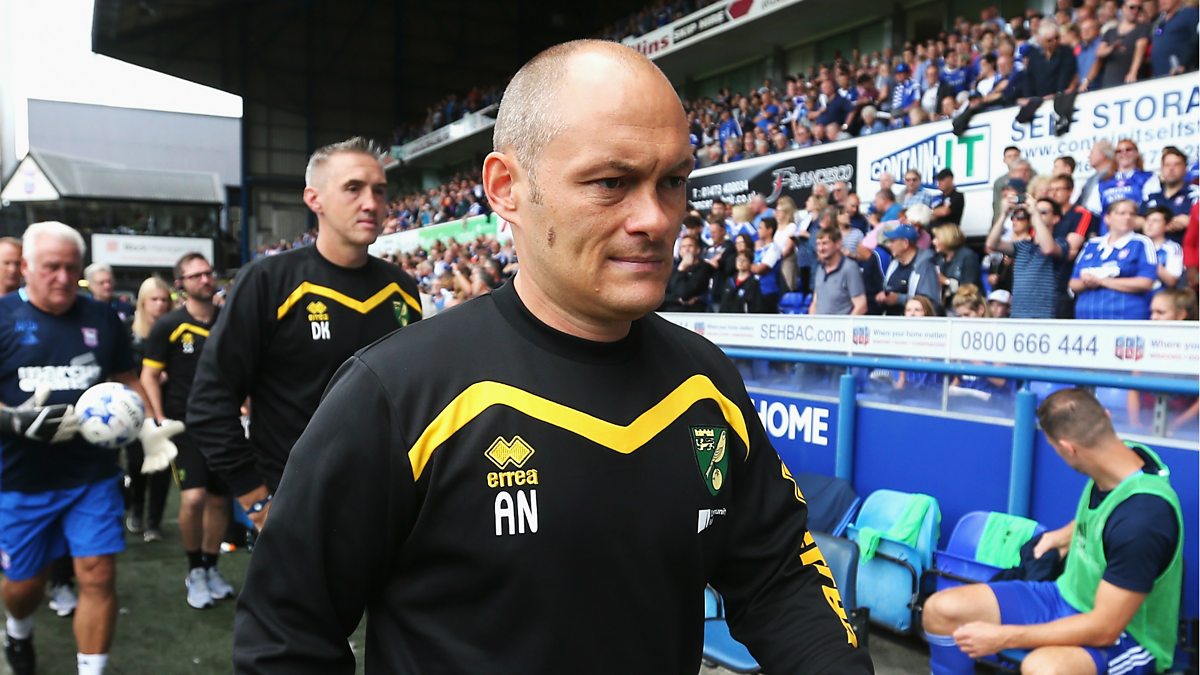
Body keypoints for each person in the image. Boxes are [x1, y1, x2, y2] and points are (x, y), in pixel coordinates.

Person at [231, 40, 872, 674]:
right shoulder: (398, 393)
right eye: (611, 182)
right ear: (506, 187)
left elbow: (779, 573)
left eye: (673, 182)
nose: (655, 217)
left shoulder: (707, 384)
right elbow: (285, 636)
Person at [187, 136, 423, 530]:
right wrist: (257, 501)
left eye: (379, 191)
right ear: (314, 199)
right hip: (298, 508)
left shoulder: (402, 290)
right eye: (353, 188)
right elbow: (210, 401)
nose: (371, 203)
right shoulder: (268, 281)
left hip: (389, 506)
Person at [0, 221, 177, 675]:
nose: (62, 278)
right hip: (20, 479)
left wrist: (147, 424)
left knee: (97, 574)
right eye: (51, 268)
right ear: (25, 268)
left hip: (92, 475)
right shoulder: (2, 318)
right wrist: (11, 419)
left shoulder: (101, 318)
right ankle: (18, 630)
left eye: (70, 268)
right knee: (24, 586)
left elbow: (124, 376)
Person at [924, 387, 1183, 675]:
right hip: (1064, 597)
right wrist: (1062, 535)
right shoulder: (1121, 457)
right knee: (941, 609)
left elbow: (1104, 629)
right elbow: (1105, 518)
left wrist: (1003, 637)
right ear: (1106, 417)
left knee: (1044, 669)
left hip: (1127, 637)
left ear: (1068, 448)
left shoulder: (1143, 520)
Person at [140, 253, 236, 610]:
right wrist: (158, 418)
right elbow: (149, 375)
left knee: (217, 499)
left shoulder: (228, 321)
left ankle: (211, 567)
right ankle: (194, 569)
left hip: (224, 423)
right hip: (185, 424)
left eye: (208, 273)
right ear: (180, 283)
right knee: (193, 498)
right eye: (195, 276)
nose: (204, 280)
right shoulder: (169, 325)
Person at [124, 277, 174, 543]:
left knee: (163, 466)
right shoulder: (130, 333)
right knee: (137, 464)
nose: (160, 304)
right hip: (135, 412)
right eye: (154, 299)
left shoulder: (176, 330)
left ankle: (153, 522)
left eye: (164, 299)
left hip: (169, 409)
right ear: (143, 303)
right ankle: (136, 507)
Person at [1071, 199, 1157, 320]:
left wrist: (1102, 281)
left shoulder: (1141, 243)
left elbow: (1146, 282)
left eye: (1132, 214)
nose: (1127, 217)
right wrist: (1089, 281)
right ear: (1107, 218)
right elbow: (1073, 283)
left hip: (1126, 316)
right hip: (1086, 316)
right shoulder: (1092, 244)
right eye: (1121, 213)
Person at [986, 198, 1067, 319]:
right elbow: (992, 244)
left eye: (1043, 212)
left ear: (1055, 219)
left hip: (1044, 316)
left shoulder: (1061, 243)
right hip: (1018, 314)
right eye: (1035, 211)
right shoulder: (1022, 245)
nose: (1037, 214)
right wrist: (1003, 214)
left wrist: (1034, 214)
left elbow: (1048, 248)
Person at [878, 224, 942, 316]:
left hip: (914, 325)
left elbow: (929, 301)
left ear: (905, 243)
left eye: (892, 241)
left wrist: (898, 299)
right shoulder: (894, 264)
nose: (889, 245)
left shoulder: (925, 266)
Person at [1086, 3, 1150, 89]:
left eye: (1139, 8)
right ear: (1123, 8)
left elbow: (1140, 50)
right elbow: (1099, 53)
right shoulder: (1110, 32)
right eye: (1132, 7)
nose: (1136, 11)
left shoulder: (1143, 28)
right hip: (1109, 84)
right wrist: (1112, 48)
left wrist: (1133, 72)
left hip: (1131, 83)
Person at [1141, 146, 1194, 243]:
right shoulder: (1151, 196)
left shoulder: (1195, 194)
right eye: (1167, 165)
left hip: (1184, 252)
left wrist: (1192, 221)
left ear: (1185, 168)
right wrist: (1163, 224)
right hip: (1153, 254)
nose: (1171, 169)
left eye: (1176, 164)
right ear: (1161, 169)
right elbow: (1136, 220)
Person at [809, 226, 867, 316]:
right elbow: (815, 302)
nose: (821, 248)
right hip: (819, 328)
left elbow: (861, 306)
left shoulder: (850, 268)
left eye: (825, 243)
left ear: (838, 244)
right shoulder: (820, 269)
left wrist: (845, 328)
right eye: (818, 244)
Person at [660, 234, 712, 312]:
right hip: (670, 312)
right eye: (684, 247)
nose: (687, 249)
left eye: (690, 246)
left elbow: (685, 293)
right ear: (680, 251)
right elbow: (662, 295)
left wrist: (682, 269)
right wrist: (676, 299)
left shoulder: (703, 268)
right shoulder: (673, 268)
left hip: (693, 314)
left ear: (698, 249)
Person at [932, 224, 981, 305]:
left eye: (937, 238)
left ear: (947, 238)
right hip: (946, 304)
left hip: (967, 304)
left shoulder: (968, 256)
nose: (933, 242)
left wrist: (946, 281)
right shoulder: (940, 258)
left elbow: (970, 287)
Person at [1141, 206, 1184, 290]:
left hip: (1161, 294)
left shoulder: (1173, 248)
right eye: (1147, 220)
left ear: (1167, 226)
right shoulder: (1134, 245)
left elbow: (1172, 281)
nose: (1149, 224)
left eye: (1155, 221)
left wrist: (1150, 260)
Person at [82, 263, 134, 328]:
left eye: (109, 281)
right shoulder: (82, 308)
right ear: (90, 285)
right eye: (101, 283)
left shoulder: (125, 307)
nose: (107, 286)